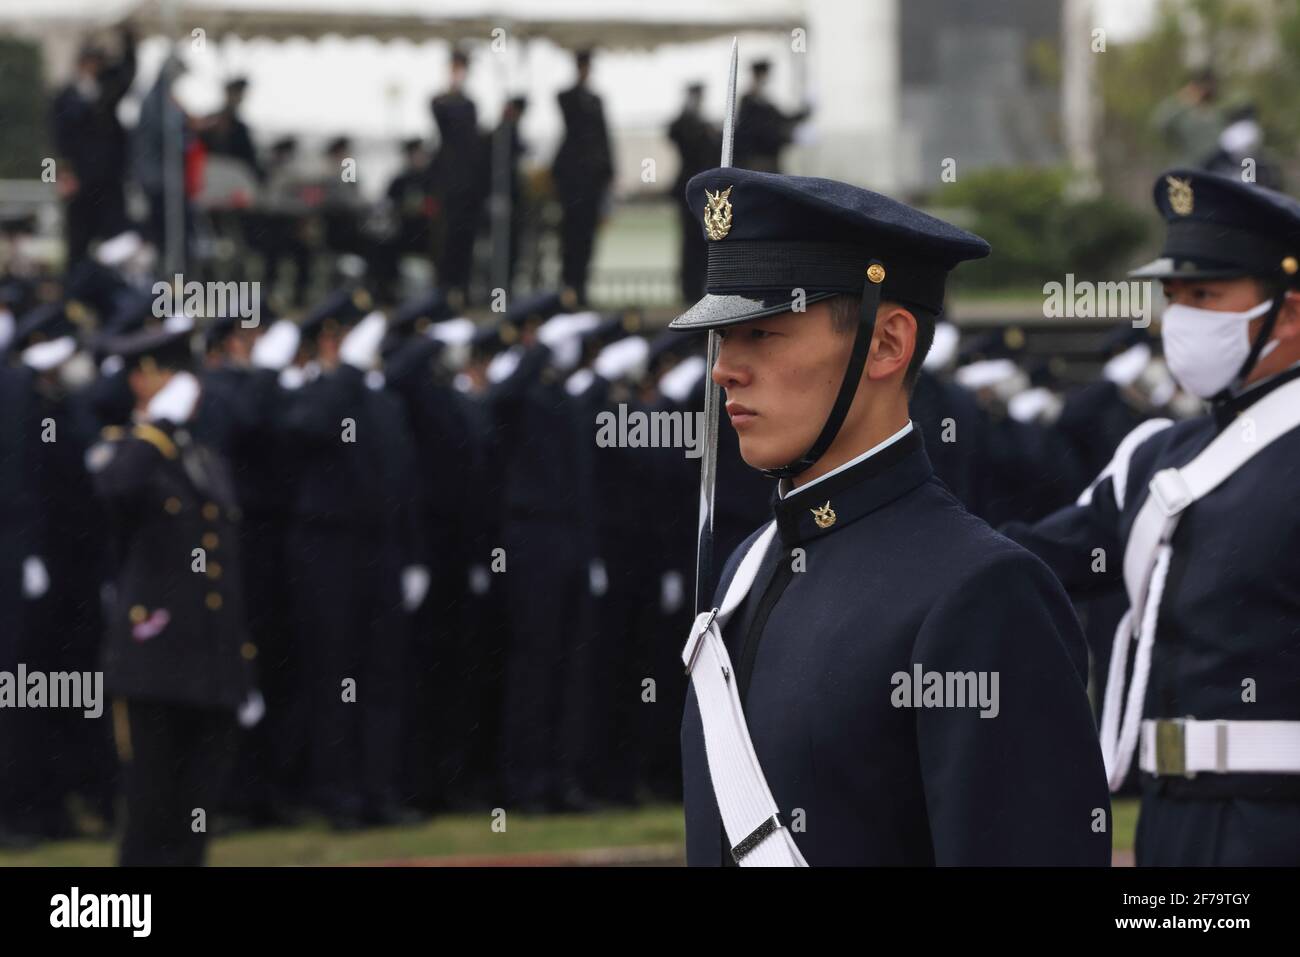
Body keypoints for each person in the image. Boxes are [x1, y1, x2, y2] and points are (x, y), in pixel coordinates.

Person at [671, 167, 1111, 866]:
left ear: (886, 344)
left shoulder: (980, 592)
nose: (724, 369)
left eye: (759, 332)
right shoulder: (744, 569)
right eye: (723, 338)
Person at [1003, 169, 1300, 866]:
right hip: (1167, 817)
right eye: (1172, 296)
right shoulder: (1156, 456)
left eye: (1204, 295)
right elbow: (1031, 563)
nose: (1180, 318)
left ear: (1288, 312)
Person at [86, 322, 253, 865]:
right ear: (143, 378)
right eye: (172, 373)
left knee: (195, 815)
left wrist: (240, 663)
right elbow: (115, 490)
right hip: (153, 660)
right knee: (149, 812)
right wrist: (157, 424)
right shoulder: (123, 449)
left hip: (212, 663)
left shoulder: (201, 455)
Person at [50, 29, 137, 266]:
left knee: (116, 237)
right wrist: (64, 174)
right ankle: (75, 291)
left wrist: (128, 43)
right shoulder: (65, 97)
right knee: (78, 239)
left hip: (107, 179)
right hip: (80, 180)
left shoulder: (106, 93)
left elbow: (125, 77)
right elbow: (59, 138)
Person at [551, 49, 613, 305]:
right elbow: (567, 106)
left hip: (590, 184)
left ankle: (581, 286)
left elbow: (604, 138)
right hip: (572, 183)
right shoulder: (570, 97)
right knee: (570, 237)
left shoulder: (596, 101)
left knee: (586, 239)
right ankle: (569, 286)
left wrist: (607, 173)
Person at [667, 83, 720, 304]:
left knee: (705, 240)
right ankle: (689, 289)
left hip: (706, 189)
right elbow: (674, 133)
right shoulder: (685, 124)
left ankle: (703, 285)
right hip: (689, 189)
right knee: (690, 240)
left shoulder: (704, 125)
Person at [733, 60, 810, 173]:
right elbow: (753, 129)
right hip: (757, 158)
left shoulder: (765, 101)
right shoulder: (749, 101)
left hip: (771, 157)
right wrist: (779, 136)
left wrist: (801, 114)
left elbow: (782, 118)